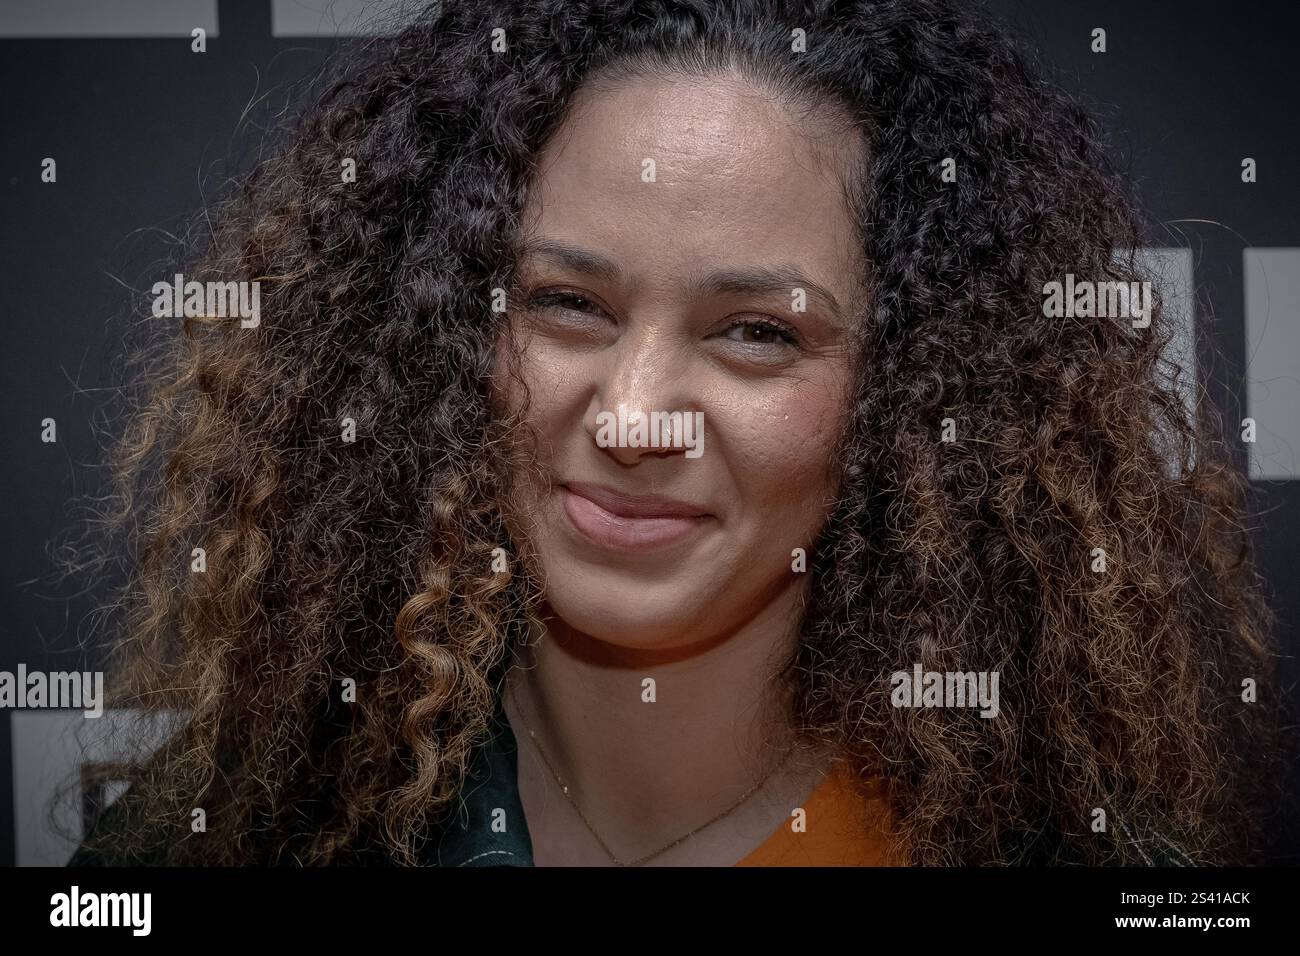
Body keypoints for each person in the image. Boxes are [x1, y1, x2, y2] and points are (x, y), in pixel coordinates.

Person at [64, 0, 1284, 867]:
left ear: (911, 395)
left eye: (756, 331)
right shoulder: (232, 831)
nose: (635, 416)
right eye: (566, 304)